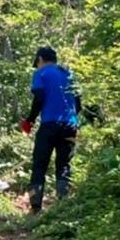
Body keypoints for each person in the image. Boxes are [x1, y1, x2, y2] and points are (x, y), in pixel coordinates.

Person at [18, 46, 80, 212]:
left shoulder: (41, 73)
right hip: (70, 126)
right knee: (64, 165)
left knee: (39, 165)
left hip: (49, 125)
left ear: (39, 59)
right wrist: (72, 120)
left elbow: (39, 98)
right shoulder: (69, 74)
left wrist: (29, 120)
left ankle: (36, 208)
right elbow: (78, 103)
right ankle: (63, 207)